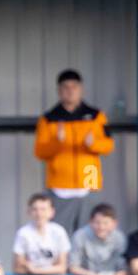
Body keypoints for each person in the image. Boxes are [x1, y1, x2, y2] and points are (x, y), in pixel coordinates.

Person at [33, 68, 114, 233]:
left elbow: (108, 146)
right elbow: (40, 151)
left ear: (80, 88)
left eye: (74, 87)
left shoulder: (95, 116)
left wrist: (93, 144)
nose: (70, 91)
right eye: (65, 87)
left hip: (89, 181)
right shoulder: (49, 119)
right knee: (60, 233)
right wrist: (58, 142)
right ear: (59, 90)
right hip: (59, 187)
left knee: (90, 232)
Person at [68, 203, 128, 275]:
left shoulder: (119, 238)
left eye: (106, 223)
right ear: (90, 222)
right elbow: (73, 267)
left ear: (114, 223)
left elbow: (124, 268)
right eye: (97, 222)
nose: (101, 227)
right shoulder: (80, 236)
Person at [12, 193, 70, 275]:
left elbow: (62, 268)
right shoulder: (23, 233)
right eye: (35, 209)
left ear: (52, 212)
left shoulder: (59, 232)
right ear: (29, 211)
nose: (39, 213)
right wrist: (51, 269)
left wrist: (35, 270)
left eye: (43, 209)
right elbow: (17, 268)